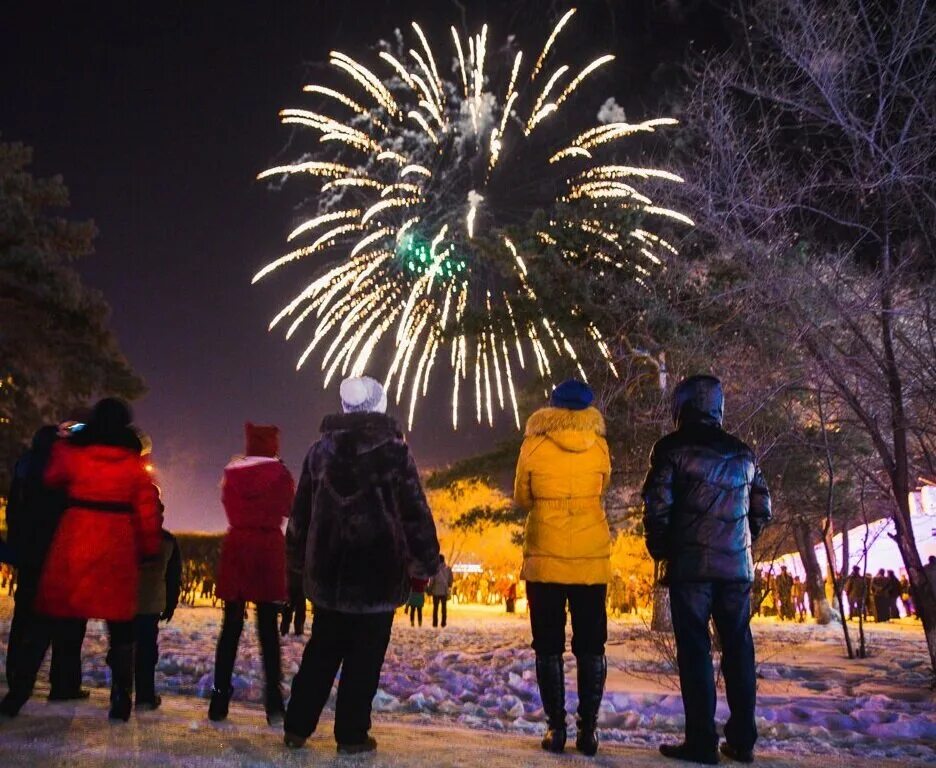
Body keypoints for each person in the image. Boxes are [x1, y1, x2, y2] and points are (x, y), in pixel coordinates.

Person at [283, 376, 440, 754]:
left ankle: (297, 726)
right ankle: (352, 735)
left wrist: (296, 558)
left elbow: (300, 512)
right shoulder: (395, 453)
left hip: (329, 574)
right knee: (364, 659)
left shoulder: (318, 452)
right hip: (377, 575)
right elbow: (414, 514)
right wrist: (425, 561)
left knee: (321, 651)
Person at [1, 398, 161, 722]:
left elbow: (51, 476)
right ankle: (121, 699)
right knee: (121, 627)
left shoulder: (76, 456)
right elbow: (146, 512)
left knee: (48, 617)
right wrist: (148, 549)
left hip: (75, 539)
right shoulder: (133, 466)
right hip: (116, 546)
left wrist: (66, 442)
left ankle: (18, 692)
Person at [642, 375, 772, 765]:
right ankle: (743, 740)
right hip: (735, 568)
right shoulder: (742, 452)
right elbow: (762, 509)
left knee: (696, 650)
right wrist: (738, 541)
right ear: (717, 405)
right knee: (738, 648)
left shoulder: (670, 449)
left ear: (682, 406)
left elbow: (657, 508)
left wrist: (663, 551)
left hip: (691, 568)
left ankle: (701, 741)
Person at [514, 379, 612, 757]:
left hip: (545, 553)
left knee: (548, 645)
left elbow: (523, 495)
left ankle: (556, 729)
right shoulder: (599, 446)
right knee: (591, 644)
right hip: (590, 556)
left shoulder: (534, 444)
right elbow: (603, 487)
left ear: (551, 407)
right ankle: (589, 730)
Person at [208, 422, 294, 725]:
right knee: (267, 631)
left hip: (238, 546)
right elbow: (289, 507)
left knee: (230, 627)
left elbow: (226, 502)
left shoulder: (232, 473)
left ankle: (219, 699)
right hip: (268, 548)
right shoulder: (281, 475)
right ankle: (273, 702)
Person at [3, 425, 89, 705]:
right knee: (68, 622)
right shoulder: (62, 471)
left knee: (25, 616)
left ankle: (17, 674)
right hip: (58, 554)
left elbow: (14, 511)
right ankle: (63, 683)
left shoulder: (26, 466)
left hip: (28, 553)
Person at [134, 488, 182, 710]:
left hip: (124, 601)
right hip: (151, 603)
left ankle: (120, 694)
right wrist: (170, 604)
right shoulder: (168, 540)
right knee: (146, 651)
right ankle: (145, 696)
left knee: (122, 647)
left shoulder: (126, 532)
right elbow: (173, 578)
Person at [430, 554, 453, 628]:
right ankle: (443, 622)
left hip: (436, 591)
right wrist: (449, 586)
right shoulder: (448, 569)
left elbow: (432, 580)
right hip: (444, 591)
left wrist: (430, 588)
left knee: (435, 608)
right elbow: (450, 580)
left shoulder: (434, 569)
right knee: (444, 608)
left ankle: (435, 623)